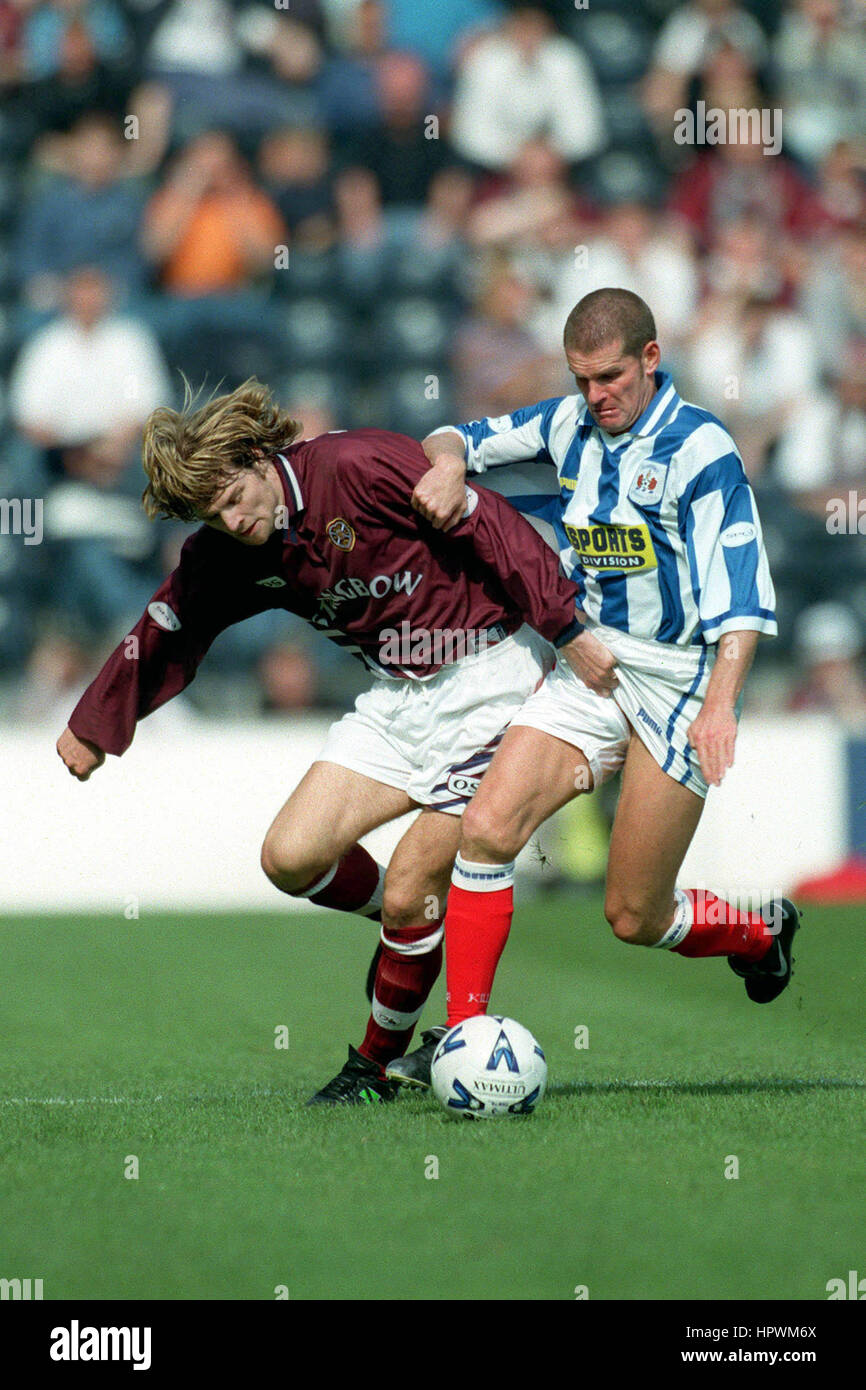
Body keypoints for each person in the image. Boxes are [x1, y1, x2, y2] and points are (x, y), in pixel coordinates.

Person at [55, 378, 584, 1105]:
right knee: (291, 857)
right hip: (399, 697)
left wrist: (565, 626)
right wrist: (95, 724)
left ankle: (372, 1068)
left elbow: (490, 522)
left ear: (254, 456)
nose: (233, 520)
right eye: (212, 514)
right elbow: (171, 621)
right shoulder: (230, 549)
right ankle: (412, 936)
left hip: (493, 677)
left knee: (409, 886)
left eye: (234, 497)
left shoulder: (356, 465)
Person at [387, 287, 799, 1092]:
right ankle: (464, 1037)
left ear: (651, 358)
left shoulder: (701, 449)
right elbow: (456, 437)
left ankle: (757, 933)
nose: (594, 396)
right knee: (487, 829)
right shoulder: (566, 423)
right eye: (581, 380)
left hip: (679, 682)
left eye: (609, 377)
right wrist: (443, 462)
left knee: (632, 917)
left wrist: (721, 703)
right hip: (593, 663)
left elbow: (741, 593)